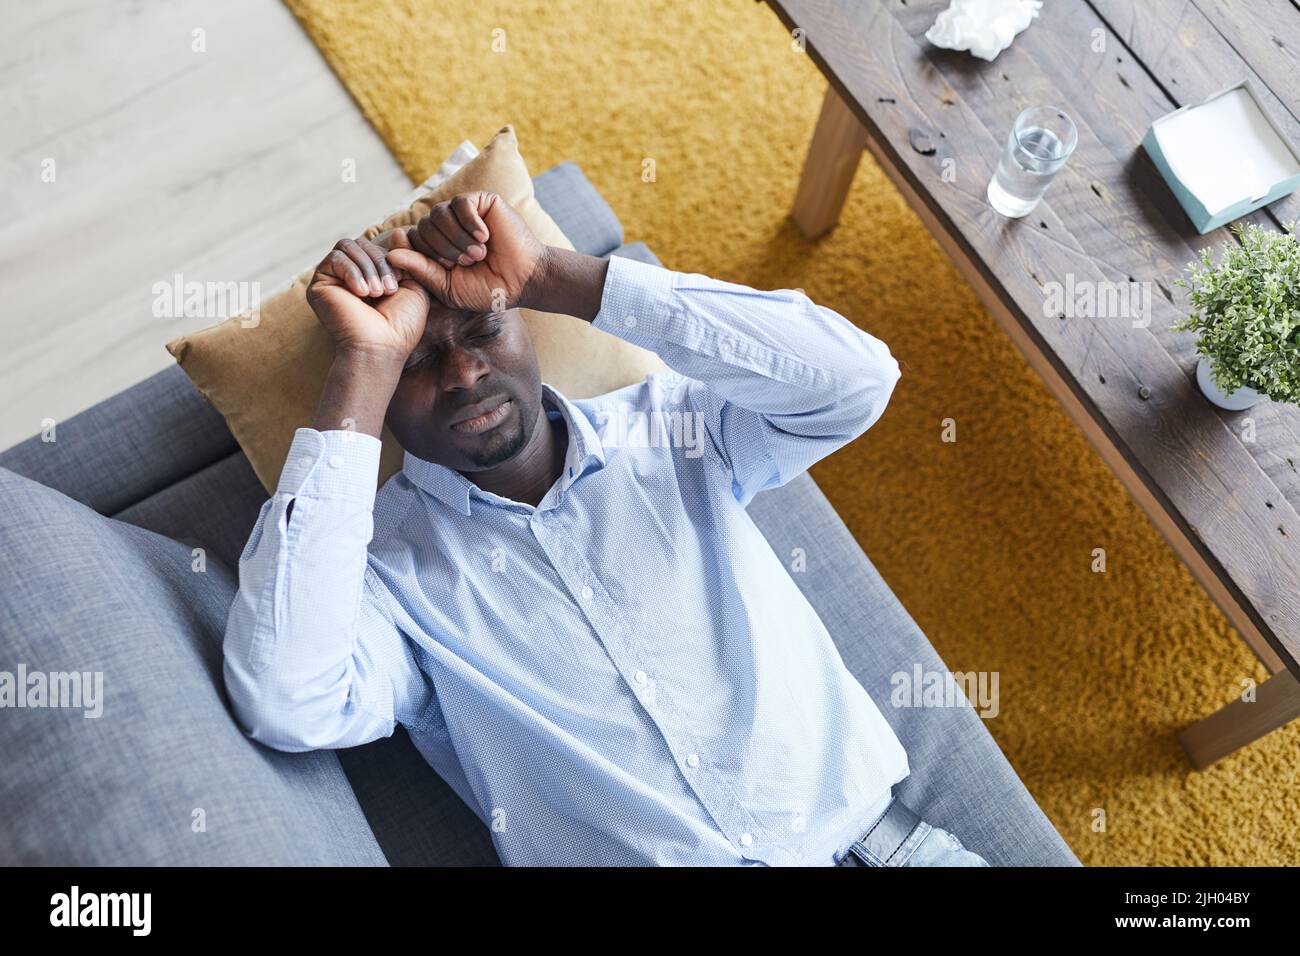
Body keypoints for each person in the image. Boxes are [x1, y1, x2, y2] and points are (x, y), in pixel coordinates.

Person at [221, 189, 989, 867]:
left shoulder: (674, 425)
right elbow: (287, 699)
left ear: (524, 325)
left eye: (483, 329)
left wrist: (552, 276)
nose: (461, 375)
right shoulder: (384, 576)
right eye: (415, 363)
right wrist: (363, 358)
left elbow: (856, 383)